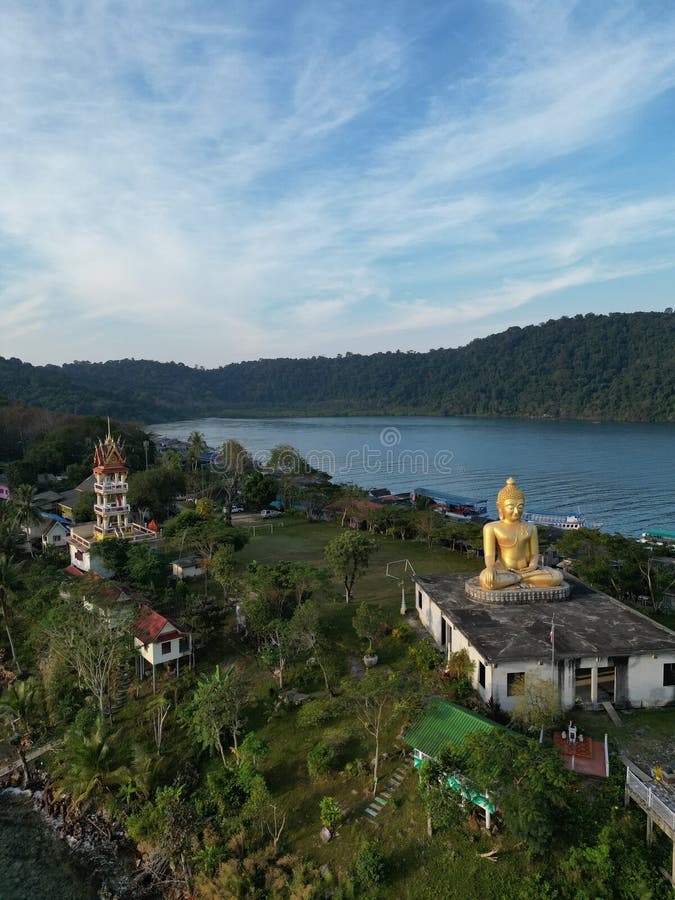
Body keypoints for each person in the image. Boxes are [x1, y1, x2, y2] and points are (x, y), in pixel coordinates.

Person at [479, 477, 564, 590]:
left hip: (528, 571)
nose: (516, 511)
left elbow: (534, 554)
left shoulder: (531, 527)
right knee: (486, 581)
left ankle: (516, 579)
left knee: (557, 577)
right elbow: (489, 555)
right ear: (500, 507)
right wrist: (490, 568)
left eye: (520, 507)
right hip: (503, 570)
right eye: (511, 507)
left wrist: (533, 565)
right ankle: (519, 579)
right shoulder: (491, 527)